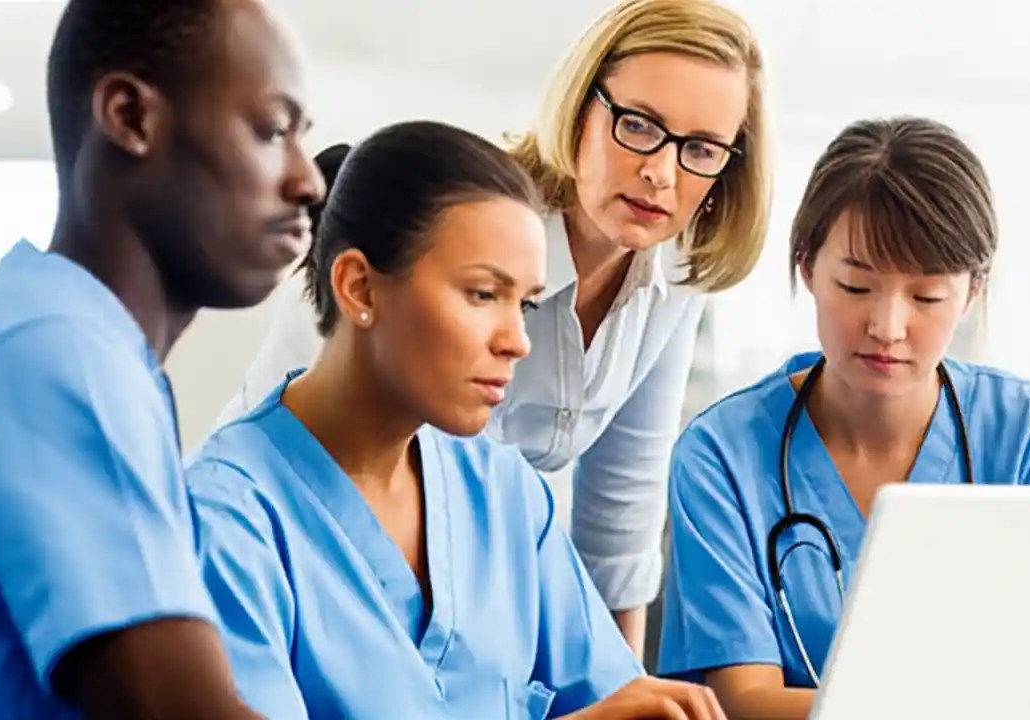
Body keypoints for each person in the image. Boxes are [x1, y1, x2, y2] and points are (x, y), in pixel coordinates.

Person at [214, 0, 773, 656]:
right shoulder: (467, 224)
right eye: (639, 125)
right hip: (302, 541)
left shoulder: (677, 264)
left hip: (461, 586)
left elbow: (621, 511)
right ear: (580, 105)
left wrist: (624, 685)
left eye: (702, 149)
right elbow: (317, 440)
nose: (661, 172)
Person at [187, 120, 727, 720]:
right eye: (481, 294)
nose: (517, 340)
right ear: (360, 287)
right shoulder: (223, 522)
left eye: (523, 303)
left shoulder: (506, 496)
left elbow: (617, 699)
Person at [0, 0, 322, 716]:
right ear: (129, 116)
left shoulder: (37, 334)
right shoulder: (54, 354)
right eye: (272, 130)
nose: (308, 181)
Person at [656, 116, 1030, 720]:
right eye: (856, 287)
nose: (887, 327)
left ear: (972, 292)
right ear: (806, 267)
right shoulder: (720, 453)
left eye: (927, 297)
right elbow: (744, 701)